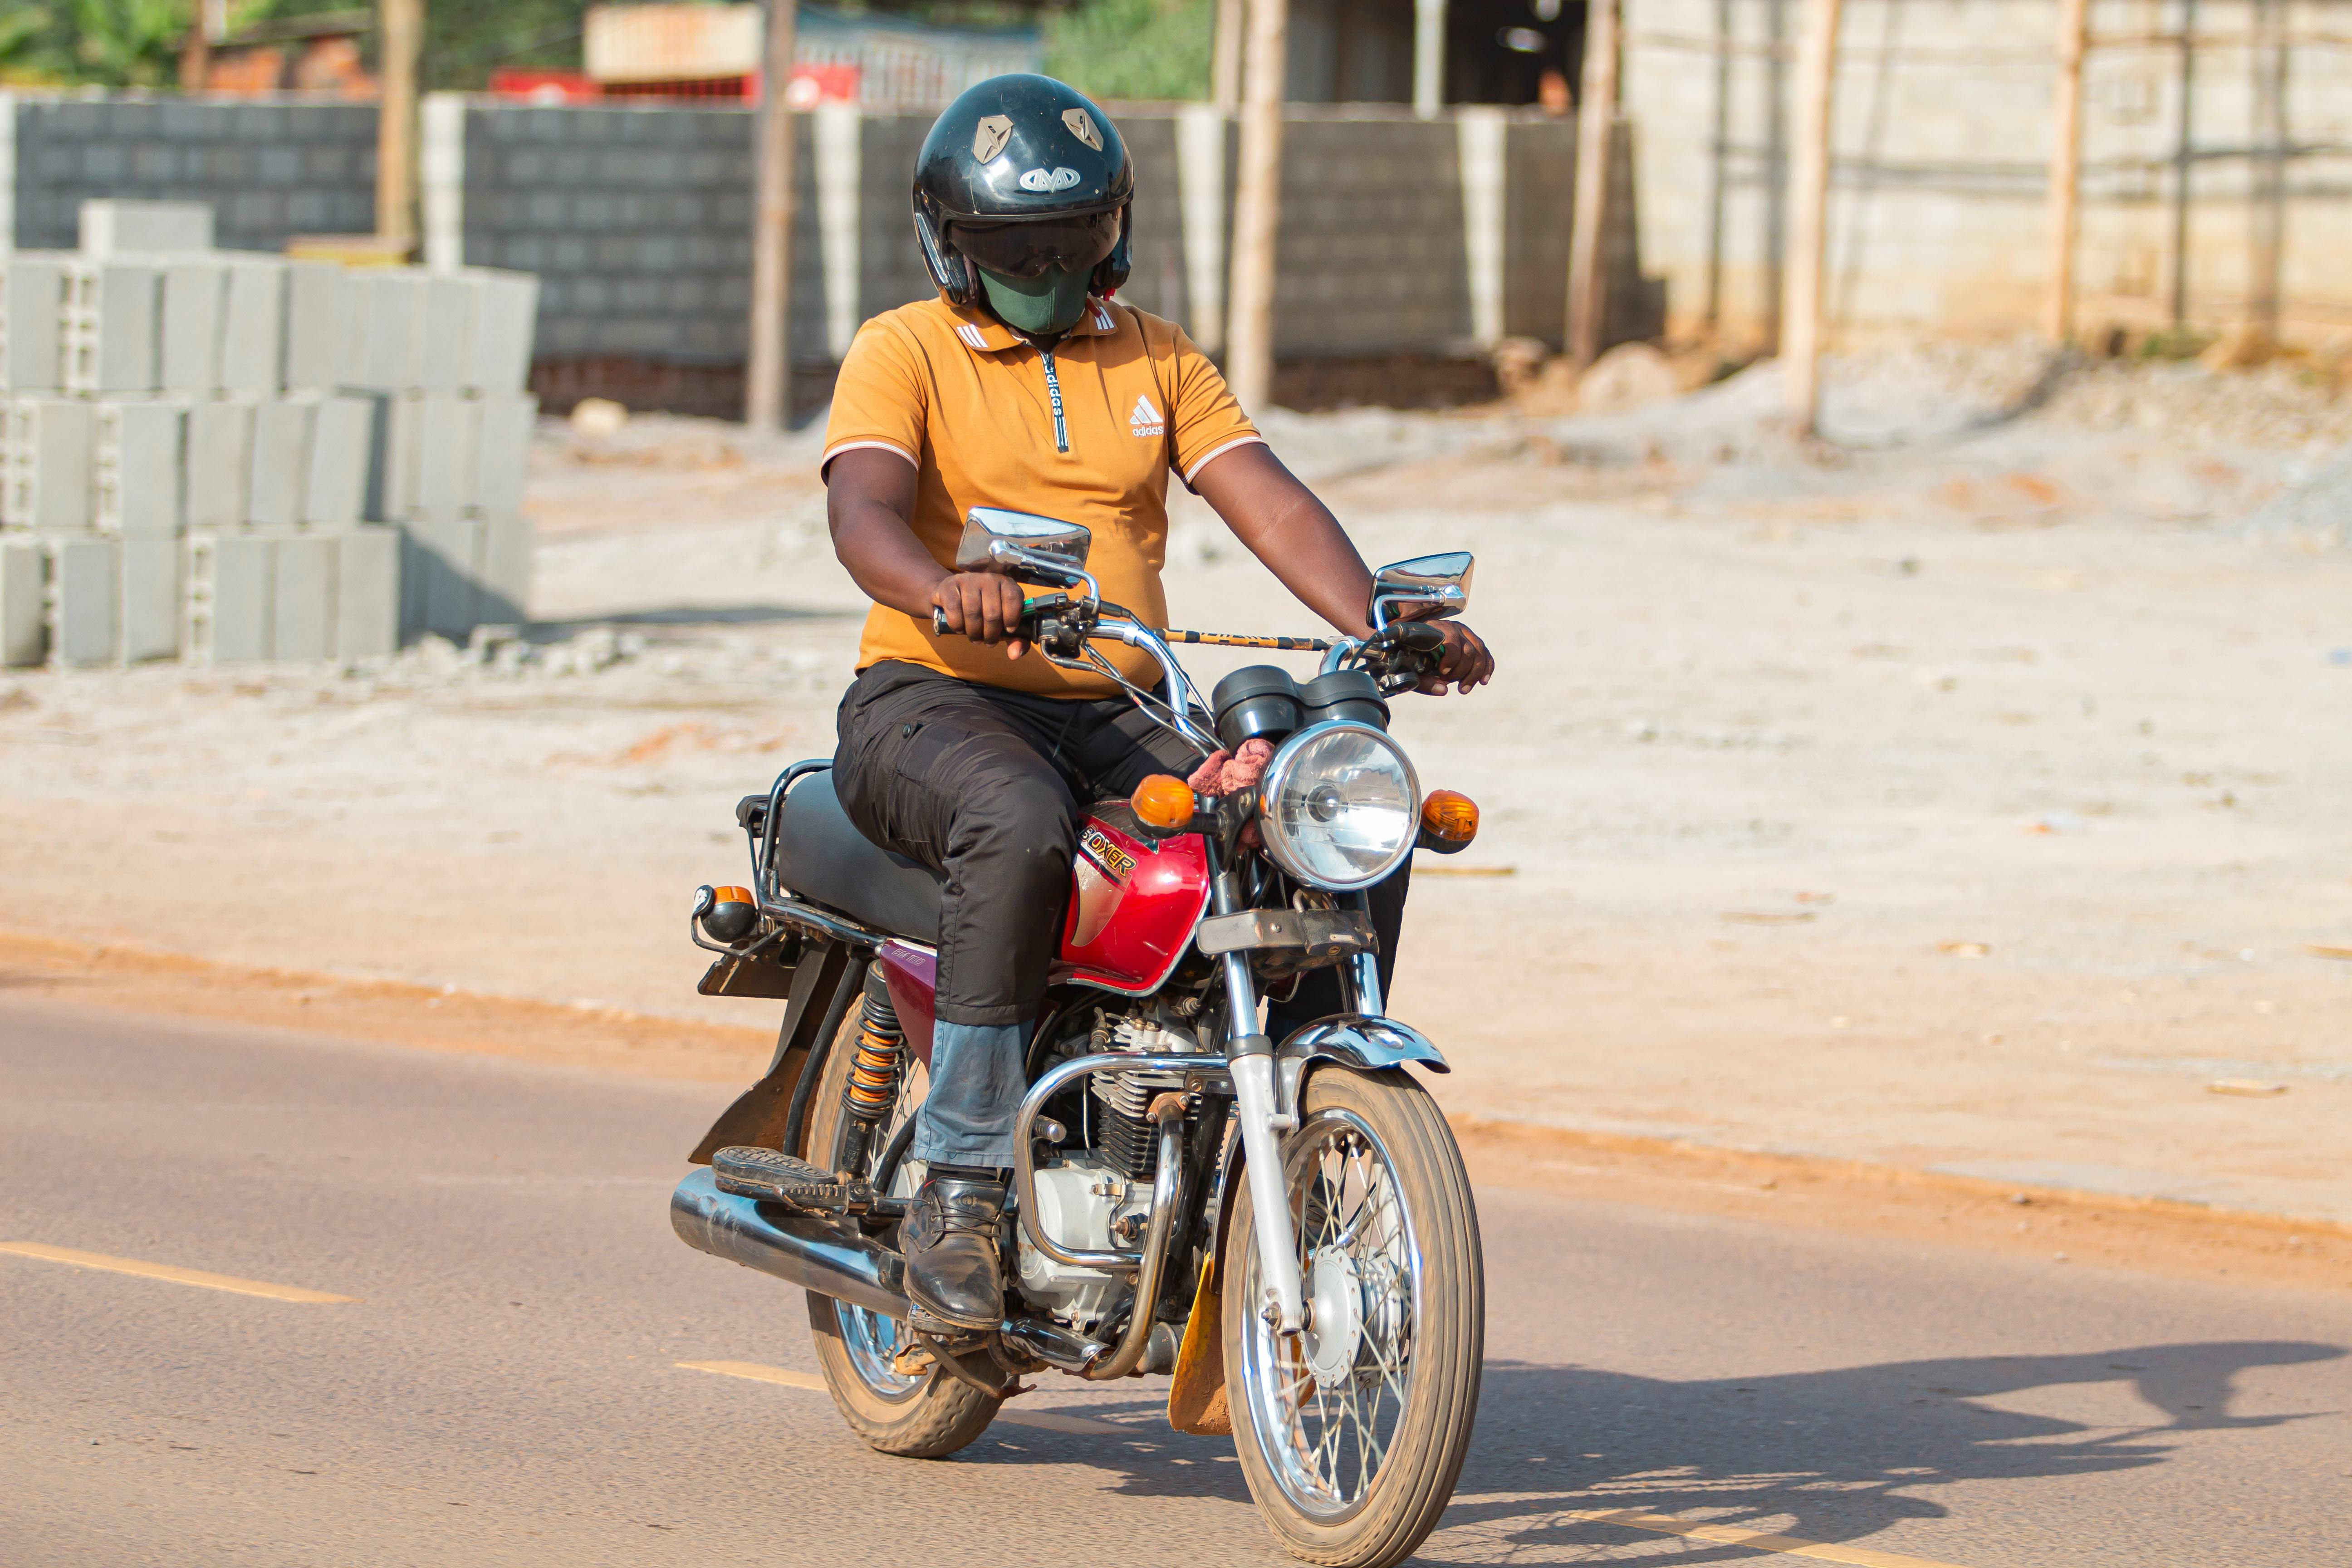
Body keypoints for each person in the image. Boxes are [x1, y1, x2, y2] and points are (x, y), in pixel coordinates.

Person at [821, 74, 1494, 1332]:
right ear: (949, 245)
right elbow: (862, 511)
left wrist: (1383, 623)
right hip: (934, 697)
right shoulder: (902, 347)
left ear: (1111, 236)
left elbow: (1270, 498)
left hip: (1115, 701)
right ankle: (961, 1188)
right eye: (1013, 247)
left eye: (1069, 243)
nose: (1045, 267)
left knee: (1307, 798)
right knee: (1018, 822)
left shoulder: (1159, 356)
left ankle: (1294, 1103)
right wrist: (941, 587)